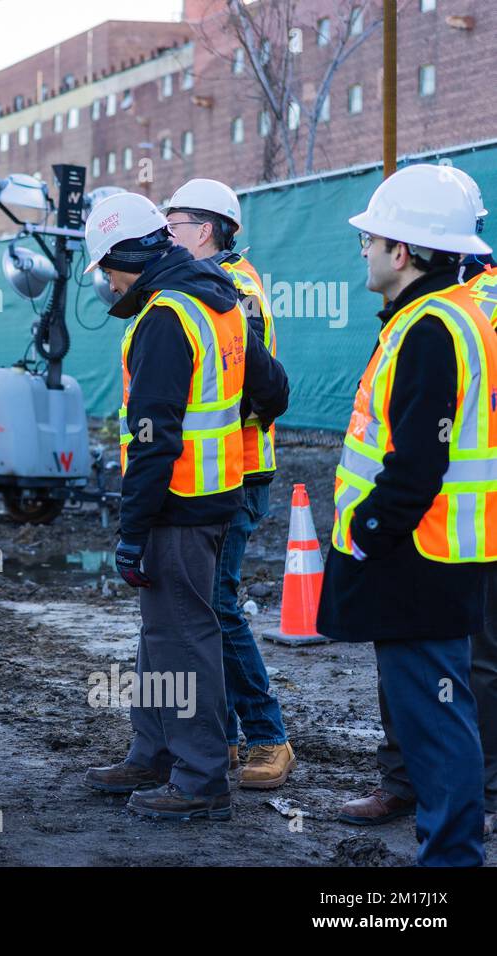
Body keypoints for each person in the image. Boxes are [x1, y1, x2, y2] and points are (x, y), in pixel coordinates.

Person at [80, 192, 288, 820]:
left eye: (105, 271)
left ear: (123, 257)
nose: (107, 285)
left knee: (186, 637)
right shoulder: (217, 300)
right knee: (161, 634)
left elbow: (153, 438)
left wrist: (131, 528)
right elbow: (272, 388)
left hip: (179, 504)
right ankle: (155, 750)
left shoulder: (167, 316)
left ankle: (198, 779)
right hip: (216, 496)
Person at [320, 163, 495, 866]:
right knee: (436, 706)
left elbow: (418, 457)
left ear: (403, 251)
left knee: (435, 713)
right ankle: (449, 843)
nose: (362, 250)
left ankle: (450, 856)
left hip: (417, 555)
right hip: (435, 553)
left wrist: (367, 532)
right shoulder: (443, 317)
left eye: (371, 240)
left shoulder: (432, 326)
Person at [165, 178, 296, 789]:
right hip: (222, 469)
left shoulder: (232, 291)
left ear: (208, 228)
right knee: (208, 603)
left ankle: (267, 737)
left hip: (238, 470)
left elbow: (256, 387)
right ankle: (231, 737)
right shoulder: (214, 284)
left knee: (217, 602)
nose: (166, 233)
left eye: (176, 223)